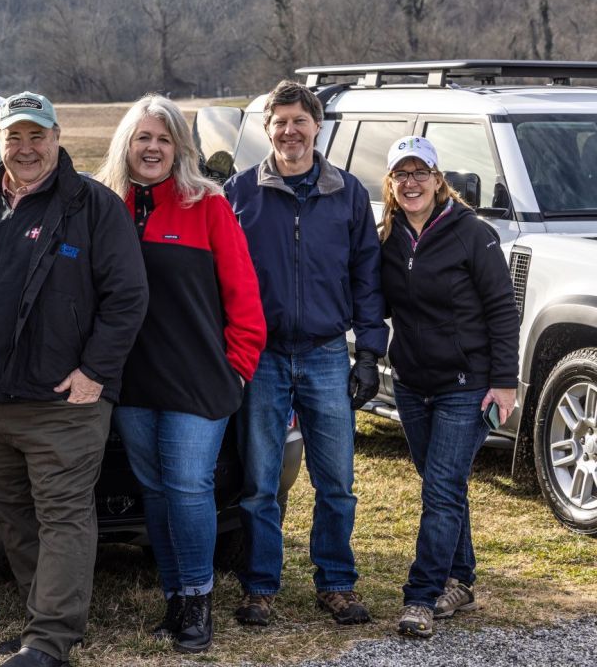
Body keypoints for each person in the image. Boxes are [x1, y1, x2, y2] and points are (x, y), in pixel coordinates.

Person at [0, 91, 148, 667]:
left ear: (57, 138)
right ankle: (42, 621)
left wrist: (95, 372)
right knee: (14, 515)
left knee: (62, 515)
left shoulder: (93, 206)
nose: (26, 147)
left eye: (38, 135)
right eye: (15, 136)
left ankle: (49, 641)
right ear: (0, 141)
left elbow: (128, 297)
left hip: (64, 402)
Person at [93, 95, 266, 653]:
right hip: (132, 381)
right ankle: (174, 597)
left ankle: (197, 599)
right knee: (156, 490)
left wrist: (238, 368)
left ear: (179, 149)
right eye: (143, 137)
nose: (153, 148)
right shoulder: (104, 207)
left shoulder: (208, 205)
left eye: (164, 139)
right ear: (127, 144)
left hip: (197, 379)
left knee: (190, 487)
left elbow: (244, 297)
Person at [223, 79, 388, 626]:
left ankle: (336, 583)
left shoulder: (348, 193)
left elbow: (367, 279)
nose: (290, 132)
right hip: (262, 356)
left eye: (300, 121)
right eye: (279, 123)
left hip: (323, 352)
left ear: (318, 125)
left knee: (336, 481)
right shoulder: (240, 193)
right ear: (266, 129)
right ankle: (260, 587)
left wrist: (368, 354)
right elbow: (222, 281)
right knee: (260, 482)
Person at [378, 136, 519, 638]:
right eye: (401, 174)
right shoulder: (387, 237)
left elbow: (503, 309)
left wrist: (505, 382)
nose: (411, 182)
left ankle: (421, 597)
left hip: (467, 384)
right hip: (413, 384)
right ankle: (460, 579)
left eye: (421, 172)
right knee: (443, 485)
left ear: (440, 180)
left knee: (440, 489)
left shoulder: (472, 233)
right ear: (391, 183)